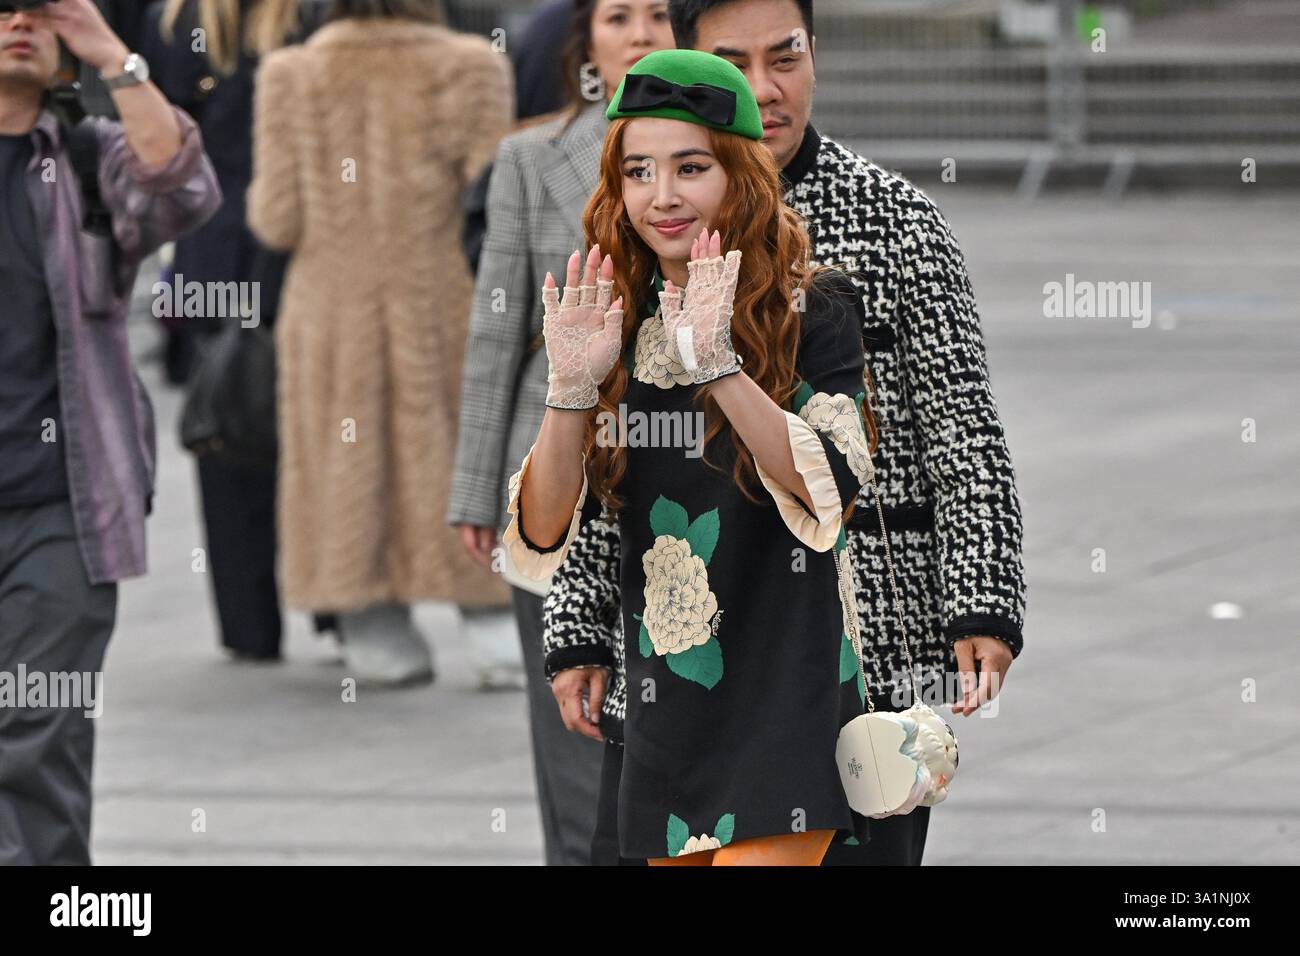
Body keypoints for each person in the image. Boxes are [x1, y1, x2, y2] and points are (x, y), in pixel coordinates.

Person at [545, 0, 1028, 866]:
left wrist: (983, 595)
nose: (767, 88)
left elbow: (962, 424)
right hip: (677, 648)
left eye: (788, 55)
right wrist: (579, 624)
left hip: (857, 630)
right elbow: (611, 469)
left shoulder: (893, 220)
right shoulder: (638, 236)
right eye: (736, 60)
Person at [502, 48, 877, 866]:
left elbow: (833, 487)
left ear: (740, 174)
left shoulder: (815, 309)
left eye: (690, 167)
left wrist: (720, 365)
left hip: (789, 691)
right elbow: (544, 528)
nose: (661, 196)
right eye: (638, 170)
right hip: (666, 705)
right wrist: (571, 387)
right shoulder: (616, 325)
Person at [447, 0, 673, 864]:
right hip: (554, 479)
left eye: (660, 13)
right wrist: (474, 488)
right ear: (588, 43)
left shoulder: (723, 160)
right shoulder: (532, 158)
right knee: (575, 735)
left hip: (681, 481)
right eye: (620, 16)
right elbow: (494, 333)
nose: (643, 32)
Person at [0, 0, 220, 863]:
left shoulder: (88, 156)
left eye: (36, 10)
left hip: (59, 502)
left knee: (38, 727)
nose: (18, 21)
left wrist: (113, 56)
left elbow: (184, 190)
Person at [246, 0, 514, 686]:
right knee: (457, 449)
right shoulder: (471, 66)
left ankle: (374, 630)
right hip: (441, 292)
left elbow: (275, 219)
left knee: (342, 456)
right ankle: (489, 624)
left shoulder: (291, 74)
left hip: (330, 302)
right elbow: (494, 198)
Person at [141, 0, 328, 663]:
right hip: (290, 250)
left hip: (216, 251)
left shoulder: (181, 23)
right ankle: (337, 611)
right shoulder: (307, 19)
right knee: (309, 436)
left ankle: (251, 625)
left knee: (229, 435)